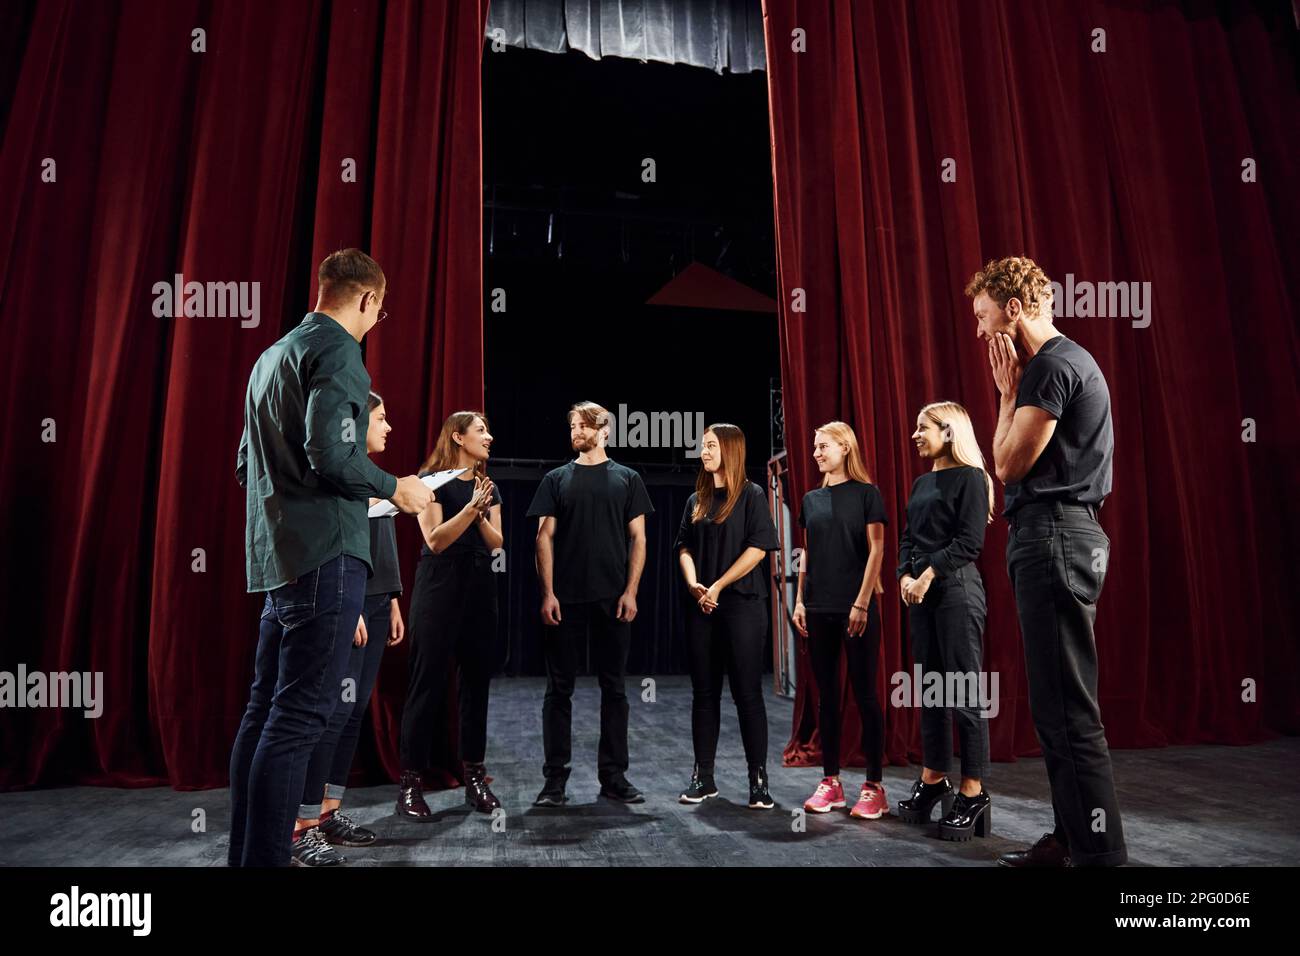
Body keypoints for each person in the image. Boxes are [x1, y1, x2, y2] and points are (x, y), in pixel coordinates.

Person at [230, 249, 432, 867]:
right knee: (296, 721)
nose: (378, 320)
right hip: (326, 559)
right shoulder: (341, 352)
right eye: (380, 308)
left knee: (265, 711)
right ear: (367, 299)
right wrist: (398, 488)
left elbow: (246, 467)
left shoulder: (270, 358)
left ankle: (248, 858)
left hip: (278, 560)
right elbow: (334, 458)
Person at [968, 255, 1126, 867]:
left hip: (1055, 538)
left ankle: (1101, 855)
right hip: (1057, 537)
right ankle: (1071, 839)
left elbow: (1005, 467)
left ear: (1013, 309)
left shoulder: (1050, 368)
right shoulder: (1063, 363)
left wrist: (1006, 395)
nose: (981, 332)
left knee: (1070, 710)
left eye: (983, 318)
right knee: (1056, 706)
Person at [290, 390, 406, 865]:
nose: (389, 427)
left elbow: (379, 539)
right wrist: (349, 602)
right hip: (348, 597)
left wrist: (393, 597)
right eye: (382, 418)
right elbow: (331, 540)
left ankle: (328, 813)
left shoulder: (369, 475)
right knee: (327, 715)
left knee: (353, 710)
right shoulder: (340, 472)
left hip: (377, 599)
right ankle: (300, 826)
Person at [526, 401, 654, 806]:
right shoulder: (556, 479)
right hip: (566, 599)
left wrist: (631, 591)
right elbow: (542, 537)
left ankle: (613, 777)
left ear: (604, 431)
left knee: (614, 688)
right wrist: (548, 592)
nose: (576, 431)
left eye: (584, 425)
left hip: (613, 598)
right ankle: (554, 783)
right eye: (573, 426)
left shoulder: (628, 478)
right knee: (558, 689)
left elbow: (639, 539)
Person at [895, 402, 994, 841]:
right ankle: (934, 779)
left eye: (924, 427)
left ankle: (972, 792)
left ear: (949, 431)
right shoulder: (921, 482)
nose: (915, 434)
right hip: (921, 595)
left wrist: (928, 573)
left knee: (964, 692)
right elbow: (906, 536)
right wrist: (903, 574)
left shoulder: (972, 478)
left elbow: (970, 542)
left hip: (956, 592)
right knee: (932, 691)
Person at [396, 411, 503, 819]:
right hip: (440, 587)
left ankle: (475, 778)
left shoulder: (488, 486)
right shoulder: (429, 482)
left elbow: (497, 542)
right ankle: (410, 784)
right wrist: (472, 510)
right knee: (426, 683)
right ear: (458, 437)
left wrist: (480, 508)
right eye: (481, 431)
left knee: (476, 684)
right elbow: (435, 540)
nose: (489, 437)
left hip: (480, 587)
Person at [675, 423, 782, 809]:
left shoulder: (752, 495)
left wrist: (718, 585)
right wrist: (695, 585)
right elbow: (683, 546)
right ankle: (703, 776)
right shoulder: (696, 500)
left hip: (742, 605)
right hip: (701, 606)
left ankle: (758, 779)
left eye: (711, 445)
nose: (704, 451)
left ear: (731, 450)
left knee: (747, 695)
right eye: (702, 446)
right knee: (704, 694)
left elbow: (759, 548)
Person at [790, 421, 889, 819]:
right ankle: (830, 782)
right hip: (818, 609)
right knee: (826, 698)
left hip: (856, 609)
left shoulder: (867, 494)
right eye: (815, 446)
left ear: (845, 447)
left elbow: (877, 549)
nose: (816, 452)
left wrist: (862, 602)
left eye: (823, 446)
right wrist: (799, 600)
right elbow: (807, 554)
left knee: (865, 696)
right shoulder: (811, 499)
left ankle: (874, 786)